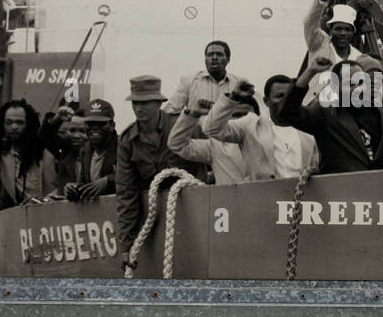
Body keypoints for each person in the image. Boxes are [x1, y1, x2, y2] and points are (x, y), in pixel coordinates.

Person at [115, 76, 202, 265]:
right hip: (158, 215)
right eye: (136, 102)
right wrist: (126, 245)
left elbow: (210, 157)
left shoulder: (181, 126)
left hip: (196, 210)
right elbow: (126, 194)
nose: (139, 108)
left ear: (158, 103)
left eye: (146, 102)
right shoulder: (127, 141)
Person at [278, 55, 383, 174]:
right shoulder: (325, 114)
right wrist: (310, 72)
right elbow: (287, 113)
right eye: (350, 84)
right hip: (341, 191)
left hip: (381, 190)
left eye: (361, 82)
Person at [202, 76, 320, 180]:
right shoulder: (251, 125)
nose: (285, 101)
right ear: (266, 101)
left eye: (289, 96)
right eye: (279, 96)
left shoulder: (308, 129)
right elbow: (211, 128)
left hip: (301, 200)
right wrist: (234, 96)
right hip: (262, 200)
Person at [168, 96, 254, 185]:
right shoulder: (215, 146)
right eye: (235, 116)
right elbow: (177, 144)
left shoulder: (266, 138)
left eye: (245, 115)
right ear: (225, 120)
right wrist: (194, 114)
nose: (241, 120)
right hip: (228, 198)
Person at [302, 1, 364, 104]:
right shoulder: (319, 45)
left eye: (347, 29)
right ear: (330, 30)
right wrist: (320, 2)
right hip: (316, 107)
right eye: (338, 29)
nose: (343, 33)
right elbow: (309, 24)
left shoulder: (358, 57)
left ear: (353, 32)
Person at [166, 40, 243, 114]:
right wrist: (189, 118)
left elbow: (251, 113)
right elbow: (170, 110)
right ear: (205, 59)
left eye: (219, 54)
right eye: (210, 54)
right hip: (197, 127)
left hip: (228, 127)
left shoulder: (239, 84)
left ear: (228, 60)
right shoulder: (189, 81)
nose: (214, 57)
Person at [76, 98, 119, 198]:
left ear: (112, 126)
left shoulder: (124, 147)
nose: (94, 128)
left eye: (101, 124)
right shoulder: (85, 150)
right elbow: (85, 184)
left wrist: (108, 180)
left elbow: (135, 177)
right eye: (90, 123)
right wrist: (75, 189)